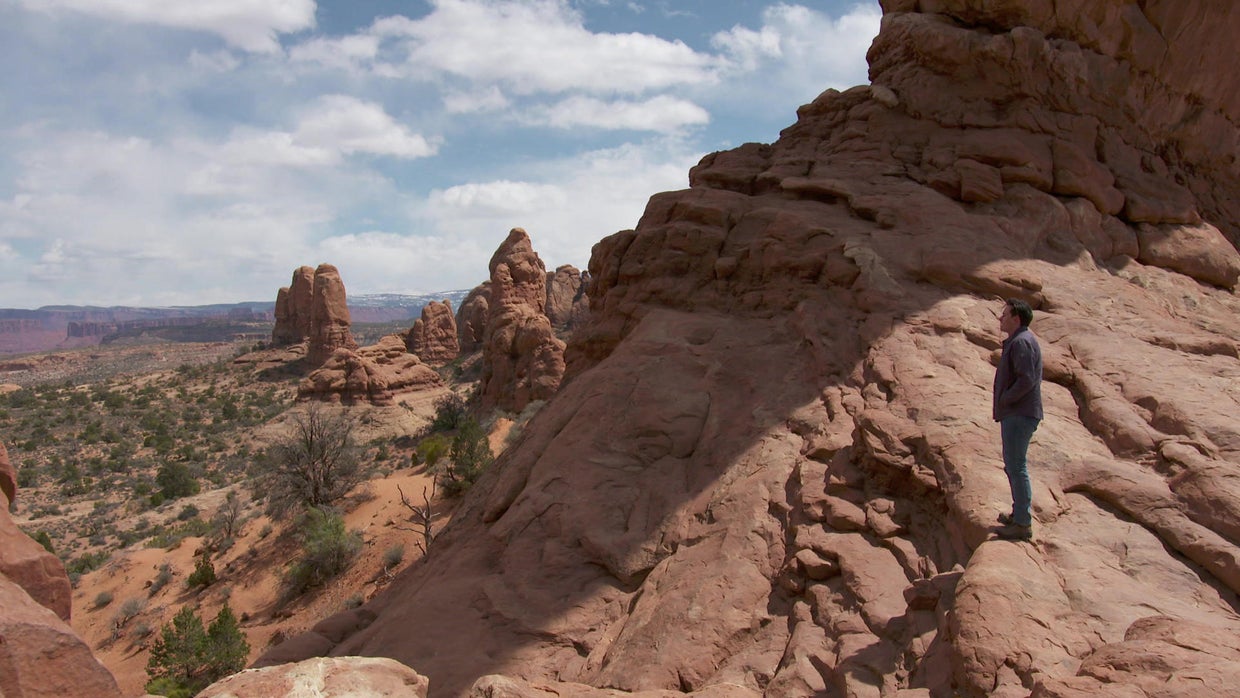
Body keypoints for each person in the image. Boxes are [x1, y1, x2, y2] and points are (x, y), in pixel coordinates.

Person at [993, 298, 1043, 541]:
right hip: (1018, 412)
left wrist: (1006, 399)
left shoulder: (1022, 342)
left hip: (1019, 413)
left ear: (1016, 318)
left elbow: (1027, 379)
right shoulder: (1019, 340)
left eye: (1005, 315)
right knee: (1013, 465)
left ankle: (1022, 524)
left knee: (1016, 467)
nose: (1000, 318)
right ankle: (1018, 515)